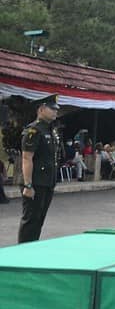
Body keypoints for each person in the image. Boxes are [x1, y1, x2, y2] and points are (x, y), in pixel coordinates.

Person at [18, 94, 61, 243]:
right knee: (31, 220)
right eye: (52, 109)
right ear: (41, 109)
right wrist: (28, 185)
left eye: (56, 109)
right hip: (35, 182)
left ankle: (32, 248)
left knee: (39, 220)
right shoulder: (34, 130)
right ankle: (22, 251)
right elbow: (26, 158)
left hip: (47, 182)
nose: (56, 112)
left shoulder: (51, 130)